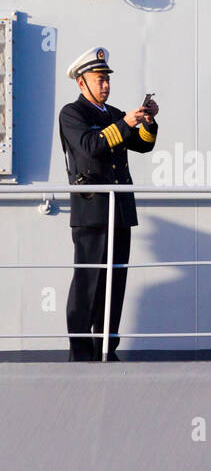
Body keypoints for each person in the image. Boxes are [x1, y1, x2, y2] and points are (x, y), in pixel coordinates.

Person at [58, 47, 159, 361]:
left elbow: (142, 146)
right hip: (92, 209)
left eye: (107, 79)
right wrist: (126, 123)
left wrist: (148, 122)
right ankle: (81, 351)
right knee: (88, 283)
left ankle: (106, 345)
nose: (105, 85)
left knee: (115, 284)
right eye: (99, 79)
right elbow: (90, 147)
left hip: (120, 211)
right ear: (81, 82)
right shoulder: (72, 114)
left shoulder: (113, 114)